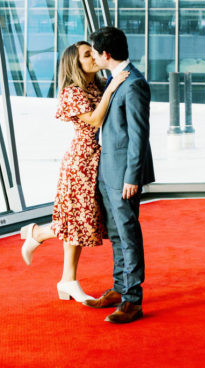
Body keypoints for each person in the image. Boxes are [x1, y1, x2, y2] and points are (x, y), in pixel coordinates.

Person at [19, 41, 129, 303]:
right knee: (80, 220)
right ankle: (45, 246)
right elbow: (95, 120)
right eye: (87, 55)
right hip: (81, 161)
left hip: (98, 158)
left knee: (84, 220)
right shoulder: (72, 92)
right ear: (75, 63)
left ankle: (62, 272)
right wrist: (112, 87)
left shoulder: (97, 84)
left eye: (93, 52)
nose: (94, 57)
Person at [83, 26, 154, 325]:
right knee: (115, 233)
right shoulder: (114, 79)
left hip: (124, 174)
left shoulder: (134, 83)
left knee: (128, 234)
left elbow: (139, 136)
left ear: (106, 54)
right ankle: (119, 287)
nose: (93, 58)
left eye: (94, 53)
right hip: (108, 169)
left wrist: (132, 177)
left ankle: (133, 300)